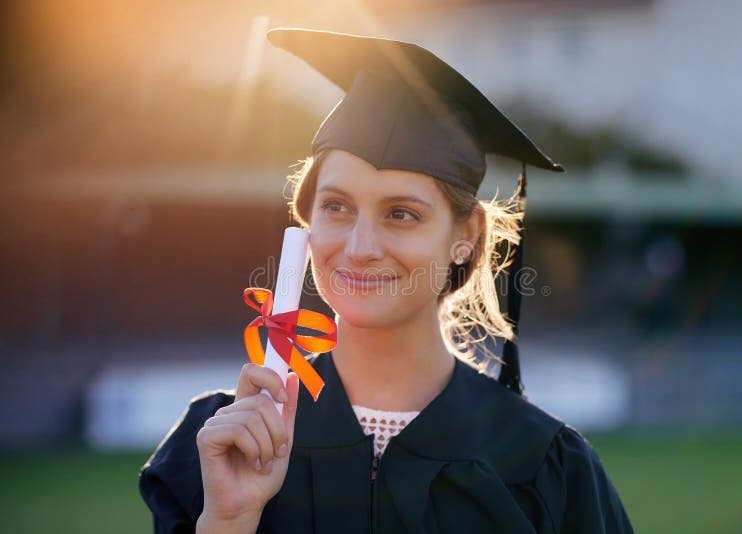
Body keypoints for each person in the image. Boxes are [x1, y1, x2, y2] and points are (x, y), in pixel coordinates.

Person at [139, 28, 635, 533]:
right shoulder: (224, 446)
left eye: (401, 213)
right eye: (336, 207)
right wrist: (230, 518)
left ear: (466, 234)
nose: (359, 247)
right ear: (306, 218)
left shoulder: (546, 467)